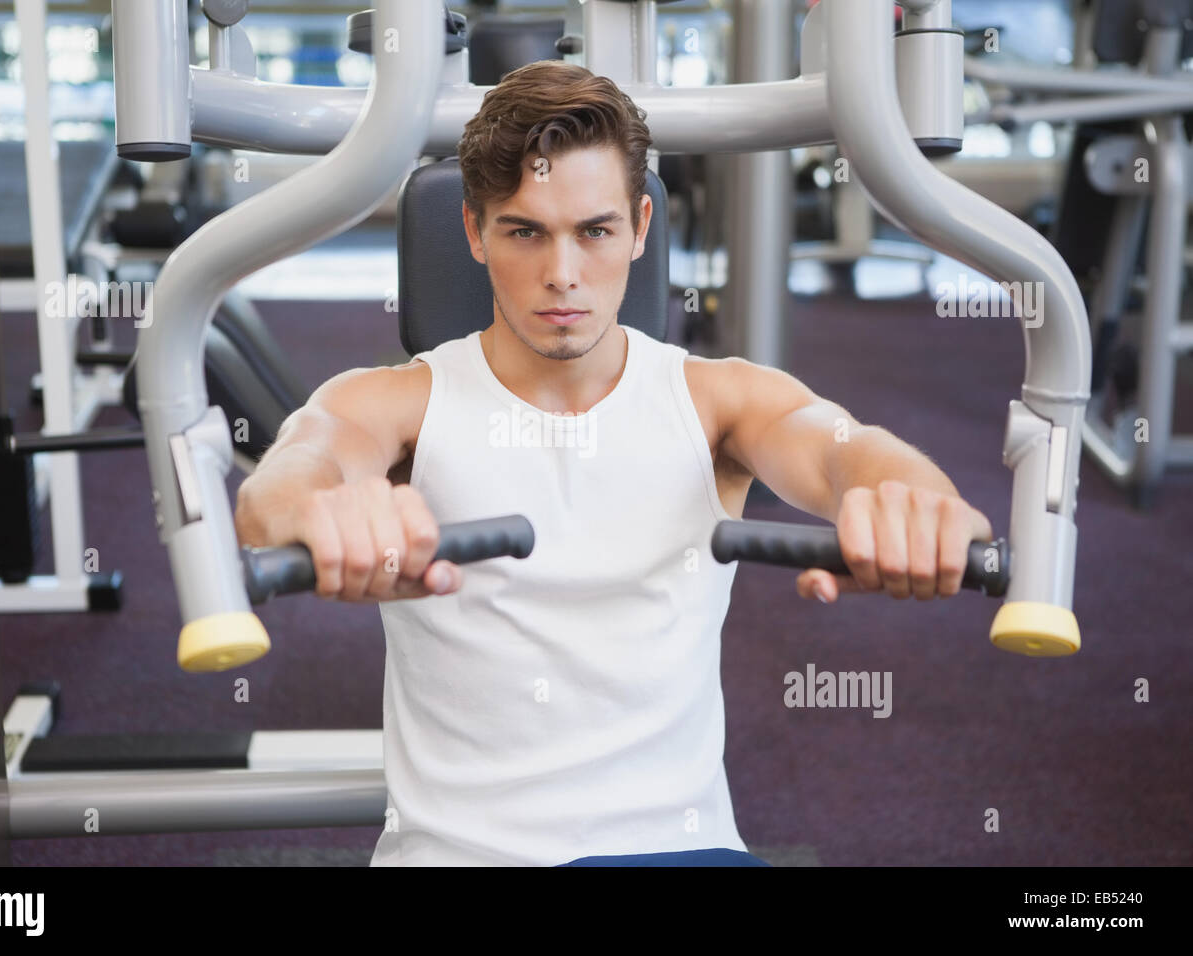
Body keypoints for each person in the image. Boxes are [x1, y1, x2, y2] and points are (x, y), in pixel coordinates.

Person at [233, 61, 993, 867]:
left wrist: (914, 501)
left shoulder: (717, 402)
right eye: (525, 231)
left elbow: (847, 448)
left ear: (638, 227)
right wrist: (321, 513)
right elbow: (288, 478)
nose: (562, 273)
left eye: (593, 231)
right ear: (474, 232)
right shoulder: (397, 403)